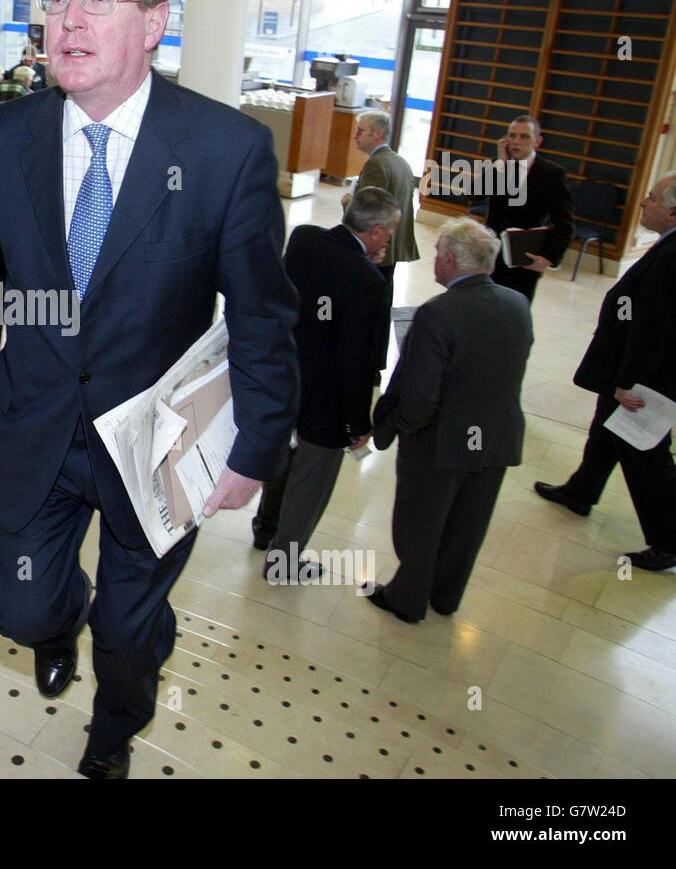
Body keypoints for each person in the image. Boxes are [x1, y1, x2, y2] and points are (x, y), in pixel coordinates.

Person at [0, 0, 299, 779]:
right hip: (34, 423)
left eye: (99, 0)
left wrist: (254, 447)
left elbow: (261, 314)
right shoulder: (3, 137)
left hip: (159, 439)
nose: (69, 21)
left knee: (132, 628)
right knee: (24, 606)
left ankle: (114, 733)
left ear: (152, 22)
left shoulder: (225, 150)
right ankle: (52, 627)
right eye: (58, 0)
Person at [366, 218, 533, 622]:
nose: (435, 261)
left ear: (450, 260)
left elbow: (421, 394)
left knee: (421, 522)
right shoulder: (517, 304)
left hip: (441, 442)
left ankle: (406, 600)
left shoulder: (437, 314)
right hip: (496, 436)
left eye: (439, 254)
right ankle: (445, 596)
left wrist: (399, 427)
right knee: (468, 523)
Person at [534, 174, 676, 571]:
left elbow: (654, 330)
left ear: (673, 211)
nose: (644, 204)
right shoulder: (666, 245)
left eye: (651, 199)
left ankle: (670, 539)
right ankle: (581, 491)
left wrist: (624, 383)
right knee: (604, 429)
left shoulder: (673, 257)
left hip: (648, 380)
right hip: (633, 368)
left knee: (646, 453)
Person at [256, 188, 399, 580]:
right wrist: (357, 424)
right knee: (311, 482)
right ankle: (283, 563)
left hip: (283, 374)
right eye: (389, 233)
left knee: (281, 458)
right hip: (326, 399)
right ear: (377, 231)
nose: (389, 241)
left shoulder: (304, 237)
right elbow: (354, 361)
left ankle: (264, 528)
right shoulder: (368, 280)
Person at [346, 110, 418, 370]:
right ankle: (375, 362)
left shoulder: (376, 165)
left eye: (361, 131)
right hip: (393, 247)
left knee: (367, 309)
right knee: (381, 305)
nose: (355, 136)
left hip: (376, 248)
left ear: (377, 134)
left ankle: (364, 362)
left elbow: (366, 213)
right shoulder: (400, 161)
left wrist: (347, 202)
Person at [482, 115, 574, 303]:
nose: (516, 141)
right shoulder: (499, 165)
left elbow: (564, 223)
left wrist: (548, 258)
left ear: (537, 141)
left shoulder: (552, 174)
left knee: (514, 310)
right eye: (512, 135)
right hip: (490, 252)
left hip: (523, 256)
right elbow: (475, 195)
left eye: (524, 137)